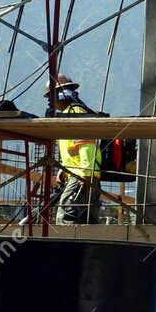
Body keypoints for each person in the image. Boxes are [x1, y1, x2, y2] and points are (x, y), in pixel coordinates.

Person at [47, 73, 101, 224]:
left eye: (50, 97)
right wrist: (63, 170)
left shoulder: (74, 112)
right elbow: (73, 150)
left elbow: (86, 146)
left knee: (65, 217)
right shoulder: (68, 114)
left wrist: (84, 175)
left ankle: (64, 248)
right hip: (85, 175)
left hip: (81, 176)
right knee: (86, 221)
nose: (50, 102)